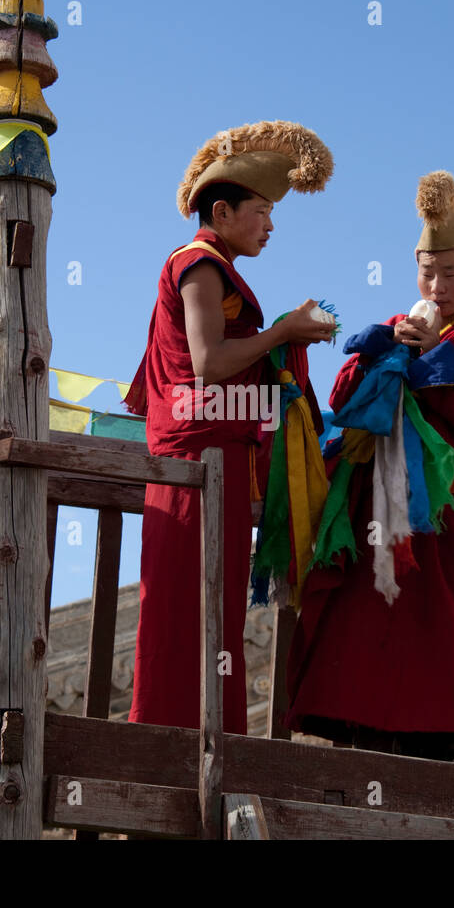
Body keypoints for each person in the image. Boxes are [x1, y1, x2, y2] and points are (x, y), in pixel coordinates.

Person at [284, 170, 454, 763]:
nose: (437, 285)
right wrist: (390, 352)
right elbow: (345, 404)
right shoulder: (396, 331)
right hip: (380, 508)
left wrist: (435, 361)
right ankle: (361, 735)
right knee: (372, 627)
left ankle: (450, 746)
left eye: (451, 273)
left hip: (451, 511)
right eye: (427, 272)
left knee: (447, 635)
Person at [123, 121, 334, 735]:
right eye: (263, 212)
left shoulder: (214, 267)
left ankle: (211, 741)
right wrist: (284, 333)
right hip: (197, 465)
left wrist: (285, 341)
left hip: (217, 460)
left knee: (210, 611)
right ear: (223, 210)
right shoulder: (200, 267)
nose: (270, 226)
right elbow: (211, 364)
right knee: (186, 609)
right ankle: (173, 744)